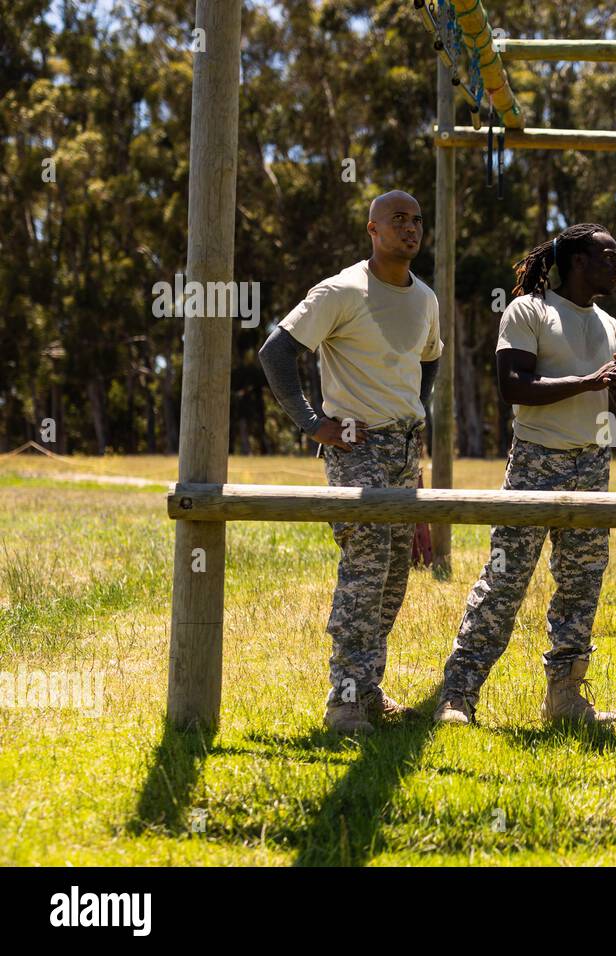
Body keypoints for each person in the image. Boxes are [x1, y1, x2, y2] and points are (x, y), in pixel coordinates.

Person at [434, 223, 616, 726]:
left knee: (580, 584)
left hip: (592, 465)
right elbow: (514, 386)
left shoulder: (614, 328)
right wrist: (591, 380)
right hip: (536, 461)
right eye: (608, 257)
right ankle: (457, 695)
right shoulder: (528, 310)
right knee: (504, 580)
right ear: (576, 262)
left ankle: (566, 699)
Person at [259, 189, 442, 735]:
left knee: (392, 580)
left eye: (417, 220)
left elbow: (429, 361)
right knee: (365, 574)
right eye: (399, 219)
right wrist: (312, 422)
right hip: (356, 449)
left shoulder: (425, 299)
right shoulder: (341, 291)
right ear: (373, 229)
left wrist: (418, 416)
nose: (411, 228)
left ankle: (367, 690)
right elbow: (276, 350)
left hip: (404, 449)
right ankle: (342, 703)